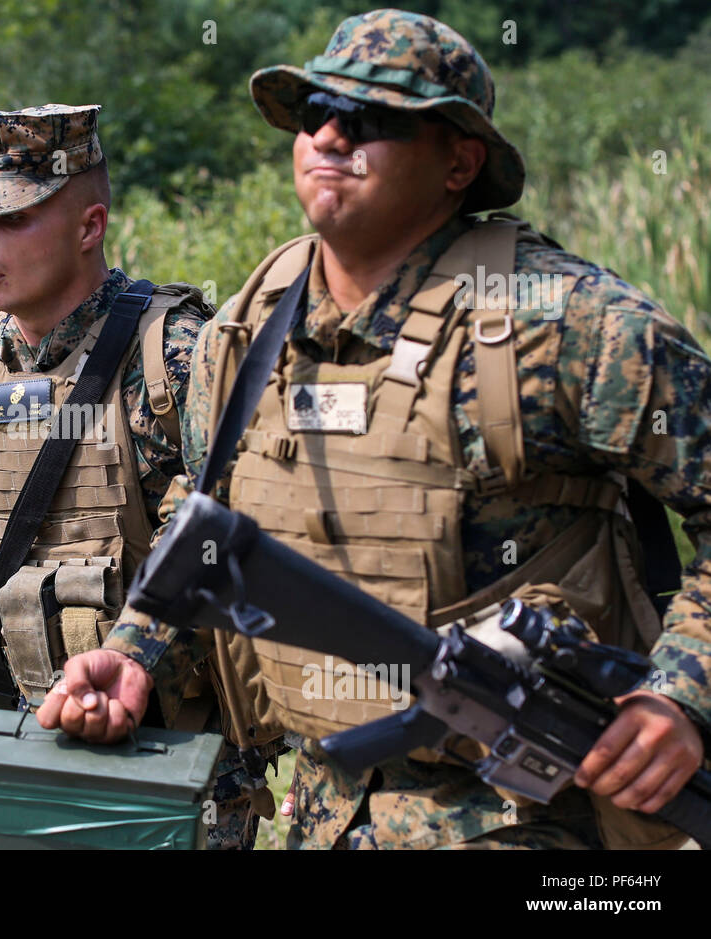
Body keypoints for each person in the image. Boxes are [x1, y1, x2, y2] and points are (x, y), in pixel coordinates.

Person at [38, 11, 711, 849]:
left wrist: (679, 695)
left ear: (459, 161)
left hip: (528, 819)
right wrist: (138, 653)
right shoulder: (248, 332)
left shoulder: (565, 325)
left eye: (370, 120)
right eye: (314, 110)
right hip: (324, 811)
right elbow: (207, 516)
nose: (328, 134)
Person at [0, 104, 278, 848]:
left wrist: (139, 653)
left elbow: (241, 545)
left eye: (10, 217)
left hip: (178, 764)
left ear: (89, 227)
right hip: (26, 750)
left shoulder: (179, 356)